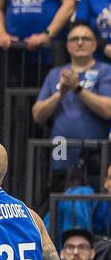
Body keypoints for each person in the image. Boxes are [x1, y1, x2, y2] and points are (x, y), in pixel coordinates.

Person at [31, 24, 111, 183]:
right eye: (75, 39)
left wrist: (78, 88)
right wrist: (59, 94)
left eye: (86, 39)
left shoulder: (105, 71)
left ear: (94, 45)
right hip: (61, 151)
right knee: (60, 199)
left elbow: (108, 109)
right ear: (68, 46)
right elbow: (37, 114)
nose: (80, 43)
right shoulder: (56, 74)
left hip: (96, 152)